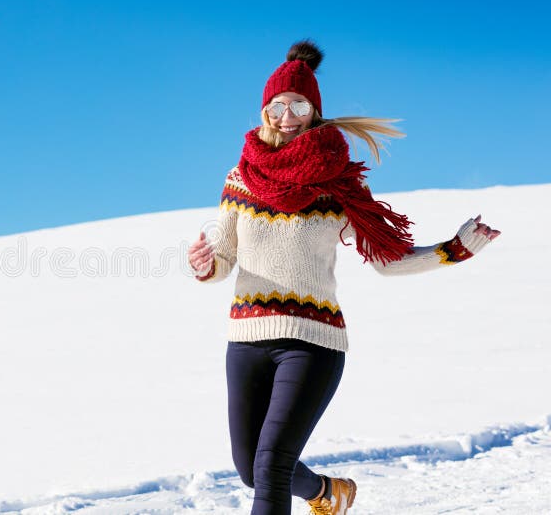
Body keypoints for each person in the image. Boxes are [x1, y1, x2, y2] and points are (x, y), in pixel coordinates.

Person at [187, 39, 501, 515]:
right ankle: (326, 494)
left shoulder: (338, 183)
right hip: (245, 339)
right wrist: (205, 264)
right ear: (264, 111)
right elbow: (225, 257)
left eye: (298, 104)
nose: (287, 114)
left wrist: (452, 251)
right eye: (277, 105)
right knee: (251, 468)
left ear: (314, 111)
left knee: (271, 466)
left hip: (312, 342)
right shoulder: (240, 178)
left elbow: (384, 258)